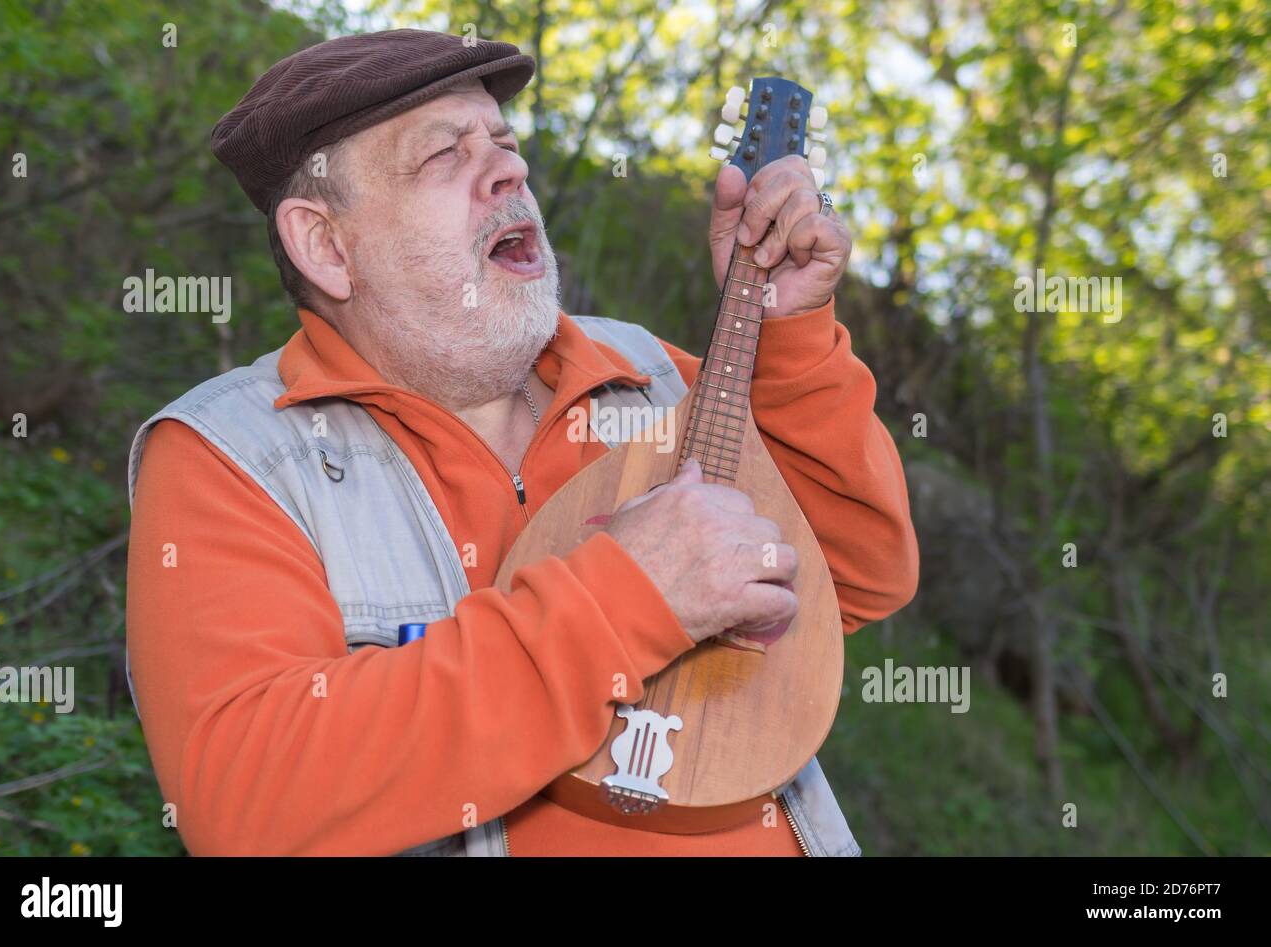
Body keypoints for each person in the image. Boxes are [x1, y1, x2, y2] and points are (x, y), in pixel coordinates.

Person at [125, 28, 918, 855]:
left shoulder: (650, 374)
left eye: (503, 142)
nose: (512, 169)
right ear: (326, 244)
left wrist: (788, 336)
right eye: (445, 155)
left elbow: (855, 578)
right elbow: (247, 796)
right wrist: (629, 596)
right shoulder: (235, 457)